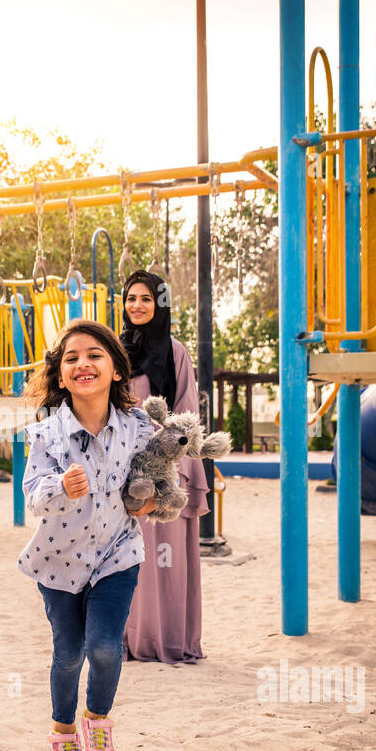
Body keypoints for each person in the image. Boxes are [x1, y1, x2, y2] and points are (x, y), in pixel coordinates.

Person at [18, 320, 157, 751]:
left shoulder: (138, 427)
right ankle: (62, 730)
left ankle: (97, 721)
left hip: (117, 553)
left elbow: (159, 473)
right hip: (58, 562)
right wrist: (60, 485)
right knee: (70, 652)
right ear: (60, 377)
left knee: (102, 647)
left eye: (95, 355)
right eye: (72, 358)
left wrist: (155, 497)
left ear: (116, 369)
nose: (83, 363)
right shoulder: (46, 435)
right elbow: (33, 495)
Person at [117, 269, 212, 664]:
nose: (137, 306)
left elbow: (186, 407)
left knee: (165, 556)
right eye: (130, 298)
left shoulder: (175, 352)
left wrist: (178, 460)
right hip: (124, 469)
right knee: (123, 555)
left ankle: (167, 640)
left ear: (160, 304)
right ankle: (126, 638)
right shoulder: (113, 349)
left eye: (145, 299)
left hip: (167, 466)